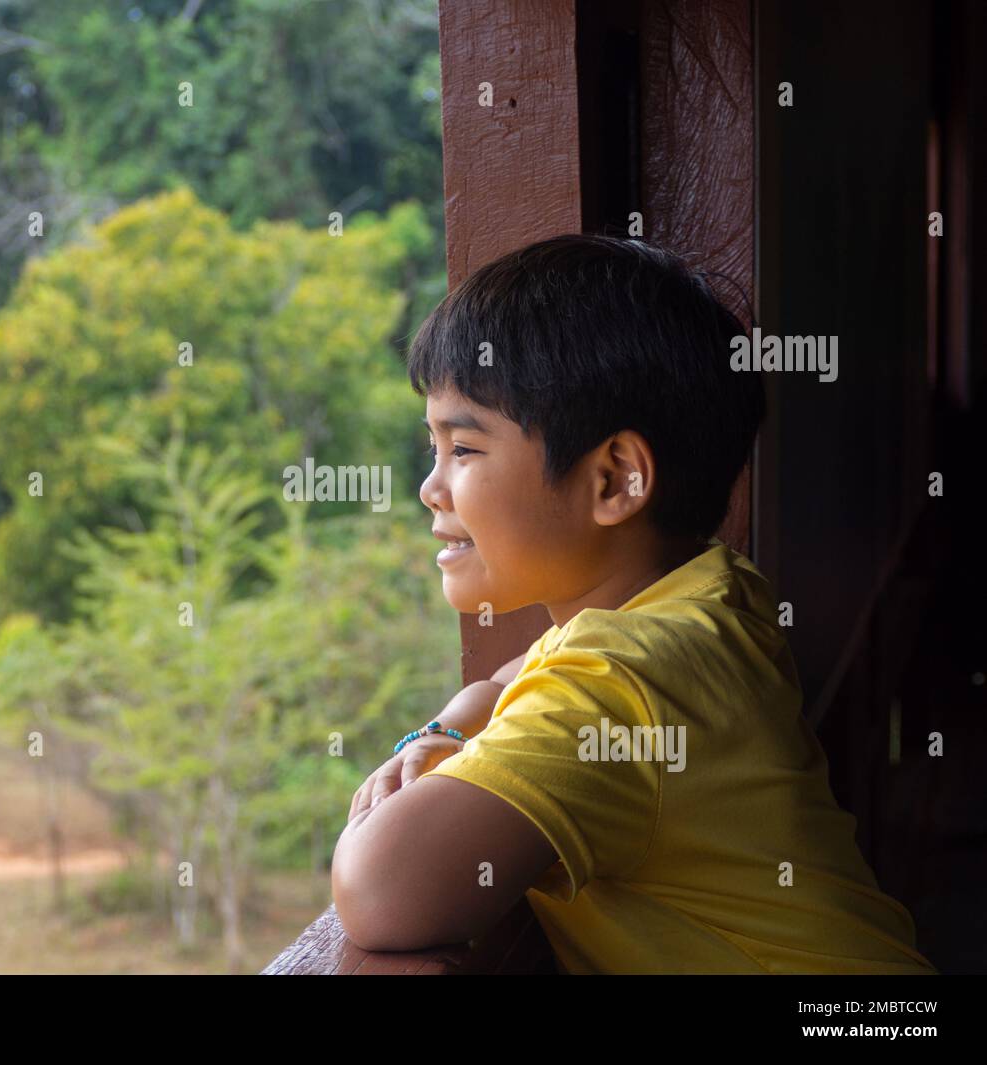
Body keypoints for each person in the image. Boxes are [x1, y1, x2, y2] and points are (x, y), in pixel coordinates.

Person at [331, 235, 937, 974]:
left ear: (616, 479)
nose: (431, 488)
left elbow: (381, 889)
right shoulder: (709, 594)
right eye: (434, 448)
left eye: (464, 449)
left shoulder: (616, 686)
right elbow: (508, 683)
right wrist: (447, 731)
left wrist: (397, 779)